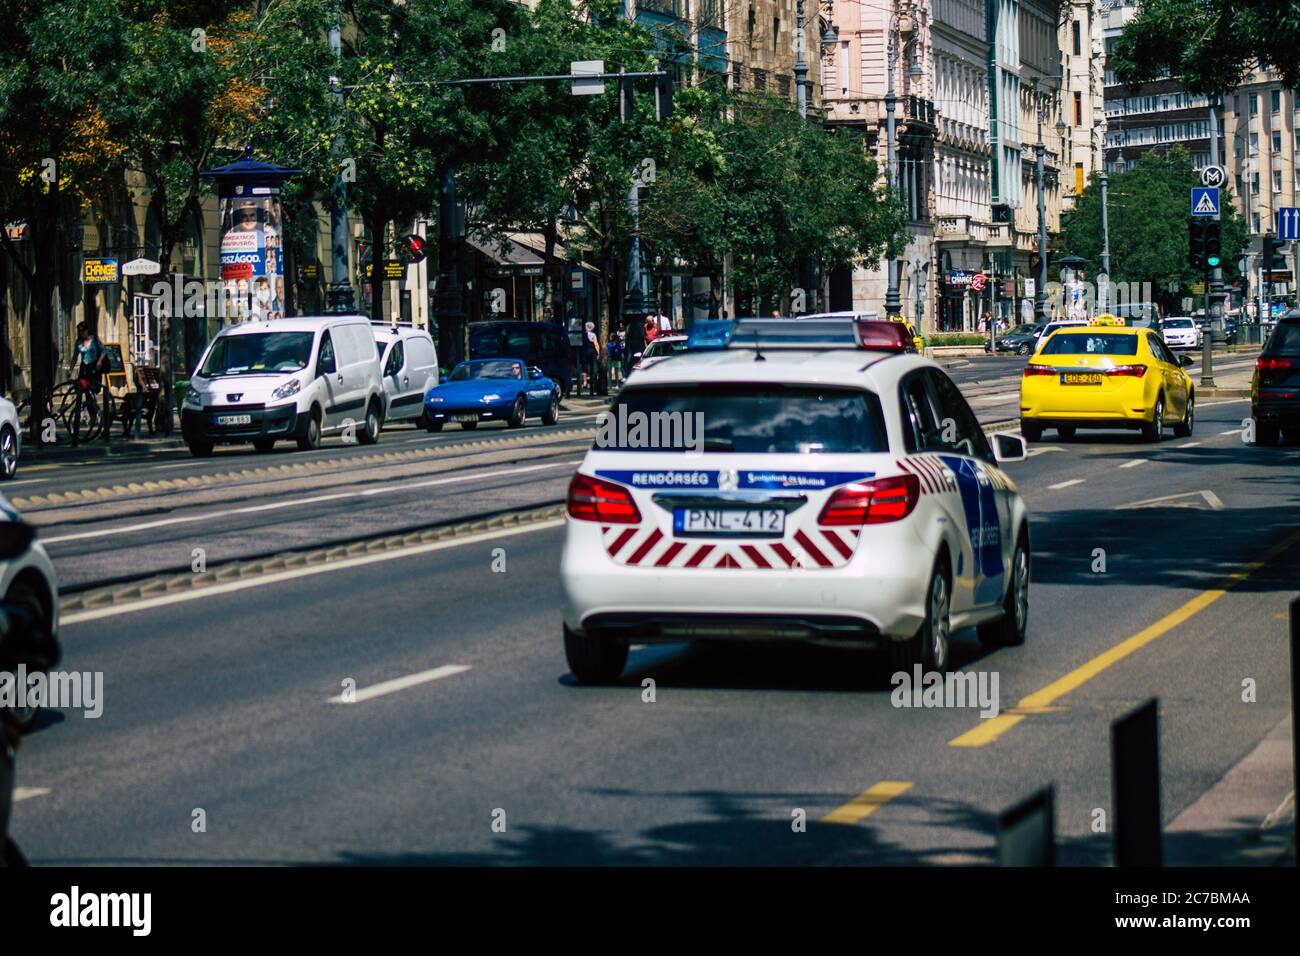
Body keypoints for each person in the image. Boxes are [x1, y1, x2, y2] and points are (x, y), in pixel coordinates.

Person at [69, 323, 108, 446]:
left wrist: (100, 361)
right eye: (79, 331)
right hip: (84, 370)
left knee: (93, 392)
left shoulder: (94, 339)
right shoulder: (78, 343)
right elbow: (75, 356)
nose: (81, 333)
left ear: (87, 330)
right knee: (85, 393)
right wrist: (70, 368)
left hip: (94, 369)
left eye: (83, 331)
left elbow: (104, 350)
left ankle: (95, 414)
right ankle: (92, 416)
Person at [579, 321, 600, 396]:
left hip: (584, 351)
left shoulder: (583, 334)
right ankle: (592, 382)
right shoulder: (593, 335)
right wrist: (598, 353)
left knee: (584, 367)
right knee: (592, 367)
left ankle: (585, 382)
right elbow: (596, 344)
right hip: (591, 352)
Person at [624, 313, 646, 378]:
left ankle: (628, 374)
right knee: (636, 360)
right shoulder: (639, 325)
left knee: (630, 360)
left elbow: (627, 337)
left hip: (633, 346)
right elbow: (642, 336)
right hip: (636, 346)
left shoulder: (630, 326)